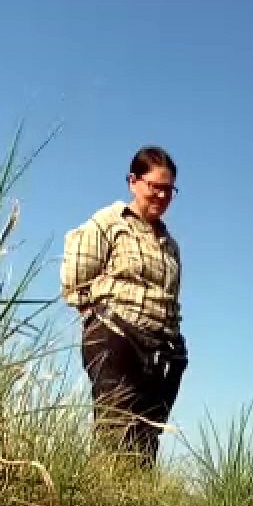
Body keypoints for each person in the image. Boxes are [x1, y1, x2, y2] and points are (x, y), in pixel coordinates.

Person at [60, 146, 186, 467]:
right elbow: (74, 279)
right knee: (115, 427)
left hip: (160, 350)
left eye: (168, 190)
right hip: (115, 337)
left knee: (146, 438)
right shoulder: (109, 222)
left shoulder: (171, 246)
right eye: (154, 187)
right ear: (133, 182)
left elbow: (171, 298)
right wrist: (100, 321)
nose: (161, 195)